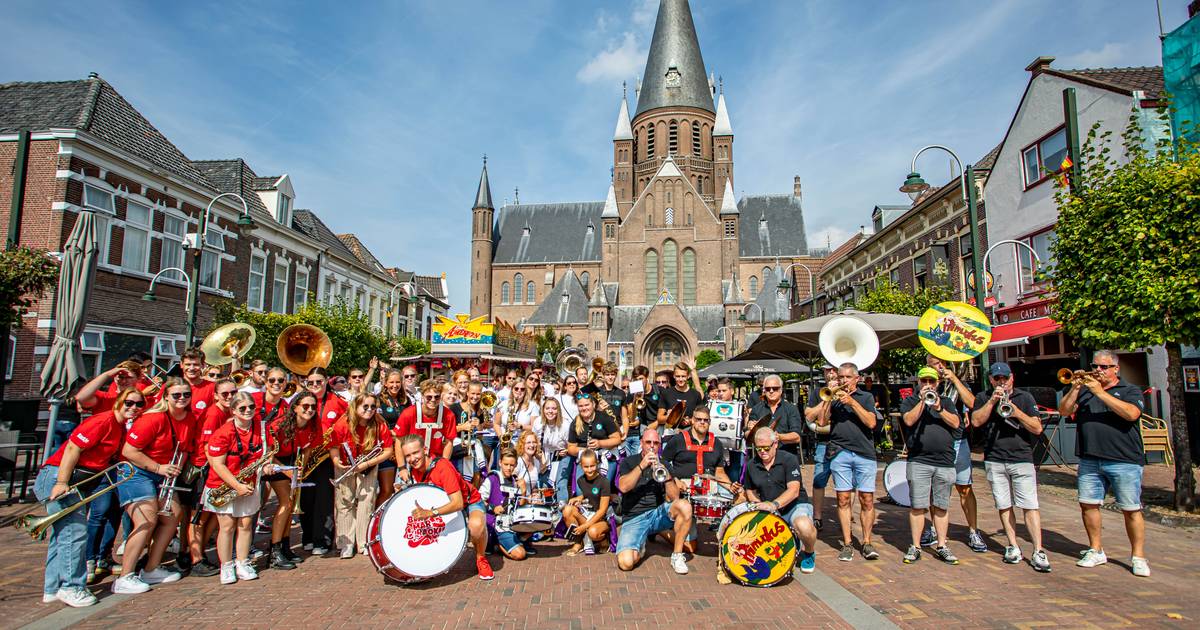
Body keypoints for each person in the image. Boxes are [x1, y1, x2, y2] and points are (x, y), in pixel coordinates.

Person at [37, 387, 144, 607]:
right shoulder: (102, 421)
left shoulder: (120, 427)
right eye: (129, 403)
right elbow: (72, 449)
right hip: (60, 475)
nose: (133, 408)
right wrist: (61, 482)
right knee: (74, 532)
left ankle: (52, 587)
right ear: (118, 402)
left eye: (139, 404)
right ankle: (71, 587)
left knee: (62, 534)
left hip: (80, 482)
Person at [1057, 350, 1149, 576]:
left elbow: (1131, 414)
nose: (1097, 370)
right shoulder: (1085, 392)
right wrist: (1076, 387)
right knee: (1088, 504)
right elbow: (1064, 410)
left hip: (1124, 459)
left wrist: (1100, 392)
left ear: (1115, 369)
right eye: (1095, 366)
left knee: (1130, 508)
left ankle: (1138, 556)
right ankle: (1096, 550)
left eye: (1103, 367)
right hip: (1090, 458)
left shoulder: (1130, 390)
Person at [112, 378, 195, 594]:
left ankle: (150, 569)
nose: (182, 399)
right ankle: (125, 576)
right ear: (166, 396)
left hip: (163, 474)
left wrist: (174, 469)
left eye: (186, 394)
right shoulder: (153, 419)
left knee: (172, 516)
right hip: (138, 472)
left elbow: (184, 448)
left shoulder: (189, 419)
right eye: (176, 395)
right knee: (146, 520)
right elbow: (129, 451)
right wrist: (159, 468)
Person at [970, 362, 1050, 572]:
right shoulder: (983, 397)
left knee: (1029, 505)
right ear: (991, 380)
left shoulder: (1025, 398)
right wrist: (992, 402)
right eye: (997, 379)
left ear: (1012, 378)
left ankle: (1038, 550)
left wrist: (1016, 412)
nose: (1002, 382)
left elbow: (1037, 427)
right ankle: (1013, 545)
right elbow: (976, 422)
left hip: (1022, 458)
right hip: (995, 458)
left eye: (1005, 378)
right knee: (1004, 504)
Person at [396, 435, 494, 580]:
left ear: (425, 450)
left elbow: (458, 503)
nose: (412, 459)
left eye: (415, 453)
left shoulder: (442, 467)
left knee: (476, 527)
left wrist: (431, 513)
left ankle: (481, 558)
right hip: (440, 506)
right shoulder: (412, 471)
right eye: (408, 456)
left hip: (468, 502)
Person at [918, 355, 986, 553]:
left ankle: (973, 530)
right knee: (936, 489)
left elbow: (973, 404)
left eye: (942, 364)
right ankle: (934, 528)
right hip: (936, 442)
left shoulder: (959, 384)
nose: (939, 368)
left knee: (964, 487)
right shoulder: (927, 385)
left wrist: (955, 379)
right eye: (934, 365)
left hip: (957, 440)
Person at [203, 392, 273, 584]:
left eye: (251, 407)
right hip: (224, 485)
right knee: (226, 526)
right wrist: (236, 485)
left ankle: (242, 562)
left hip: (248, 483)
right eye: (242, 408)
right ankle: (226, 566)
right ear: (233, 411)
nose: (248, 411)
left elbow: (266, 454)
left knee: (245, 524)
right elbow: (218, 465)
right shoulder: (223, 433)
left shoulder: (261, 429)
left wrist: (265, 466)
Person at [814, 363, 881, 562]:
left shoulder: (866, 397)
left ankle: (867, 542)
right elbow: (822, 422)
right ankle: (847, 542)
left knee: (866, 499)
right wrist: (827, 400)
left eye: (846, 377)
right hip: (840, 452)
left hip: (864, 453)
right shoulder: (834, 399)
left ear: (856, 379)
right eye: (840, 377)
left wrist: (852, 402)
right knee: (843, 498)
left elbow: (871, 422)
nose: (842, 381)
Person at [899, 367, 961, 565]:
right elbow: (908, 420)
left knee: (941, 505)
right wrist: (922, 401)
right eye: (924, 381)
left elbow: (956, 423)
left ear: (937, 383)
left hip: (944, 461)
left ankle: (942, 545)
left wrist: (938, 407)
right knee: (918, 506)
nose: (928, 385)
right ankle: (916, 546)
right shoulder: (910, 401)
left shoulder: (947, 402)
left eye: (931, 382)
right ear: (918, 382)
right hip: (919, 460)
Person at [741, 427, 817, 576]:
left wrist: (774, 504)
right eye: (758, 448)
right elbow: (750, 490)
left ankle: (809, 552)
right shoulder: (751, 464)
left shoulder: (789, 459)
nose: (762, 452)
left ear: (775, 444)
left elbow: (794, 490)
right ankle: (791, 540)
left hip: (794, 505)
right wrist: (757, 503)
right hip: (770, 511)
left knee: (804, 526)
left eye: (766, 448)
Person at [615, 429, 693, 574]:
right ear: (641, 443)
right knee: (626, 563)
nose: (652, 446)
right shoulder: (629, 461)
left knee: (685, 506)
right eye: (648, 442)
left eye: (656, 443)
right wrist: (642, 466)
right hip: (634, 518)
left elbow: (674, 497)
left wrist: (667, 476)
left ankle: (676, 556)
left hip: (657, 514)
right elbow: (624, 487)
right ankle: (642, 544)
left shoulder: (664, 464)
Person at [330, 393, 395, 558]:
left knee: (367, 502)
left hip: (368, 465)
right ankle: (346, 544)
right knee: (345, 502)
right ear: (356, 406)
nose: (369, 410)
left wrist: (366, 464)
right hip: (345, 465)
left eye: (373, 407)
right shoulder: (342, 424)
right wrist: (336, 461)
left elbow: (388, 450)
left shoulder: (379, 424)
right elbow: (334, 446)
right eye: (365, 406)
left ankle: (364, 542)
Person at [187, 377, 238, 577]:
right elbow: (208, 448)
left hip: (216, 469)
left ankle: (202, 556)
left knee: (213, 515)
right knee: (199, 516)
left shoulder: (227, 412)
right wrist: (221, 471)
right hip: (204, 469)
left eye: (233, 393)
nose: (230, 397)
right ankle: (196, 558)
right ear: (216, 395)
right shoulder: (214, 414)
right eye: (225, 394)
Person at [263, 391, 319, 570]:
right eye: (305, 406)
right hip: (276, 464)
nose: (310, 410)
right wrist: (288, 472)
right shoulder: (279, 425)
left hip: (292, 463)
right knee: (286, 503)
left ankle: (285, 546)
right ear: (295, 407)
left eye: (313, 407)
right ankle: (274, 551)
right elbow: (269, 454)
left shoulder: (311, 426)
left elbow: (307, 449)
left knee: (291, 504)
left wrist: (301, 468)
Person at [298, 367, 348, 556]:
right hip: (306, 455)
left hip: (327, 456)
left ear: (327, 381)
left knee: (324, 500)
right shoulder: (302, 401)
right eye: (311, 382)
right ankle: (308, 537)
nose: (315, 386)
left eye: (319, 381)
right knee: (305, 499)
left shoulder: (338, 402)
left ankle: (323, 540)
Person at [803, 364, 838, 531]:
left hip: (843, 442)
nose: (830, 373)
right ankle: (817, 517)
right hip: (824, 441)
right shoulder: (818, 393)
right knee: (818, 480)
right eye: (827, 370)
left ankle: (846, 516)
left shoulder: (849, 392)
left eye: (834, 370)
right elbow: (810, 416)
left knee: (845, 485)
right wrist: (826, 398)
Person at [394, 379, 457, 469]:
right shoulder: (409, 413)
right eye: (429, 397)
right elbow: (399, 441)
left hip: (435, 461)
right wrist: (402, 467)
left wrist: (444, 465)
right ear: (422, 396)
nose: (433, 400)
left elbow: (449, 442)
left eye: (437, 397)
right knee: (402, 482)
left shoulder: (448, 415)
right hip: (411, 460)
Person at [482, 448, 532, 560]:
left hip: (512, 523)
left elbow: (521, 506)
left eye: (512, 465)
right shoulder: (492, 479)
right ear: (500, 462)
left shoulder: (517, 481)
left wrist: (524, 491)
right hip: (496, 524)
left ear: (516, 465)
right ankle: (500, 544)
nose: (509, 468)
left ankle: (507, 541)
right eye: (506, 464)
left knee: (535, 524)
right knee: (520, 555)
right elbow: (479, 501)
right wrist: (493, 507)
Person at [562, 449, 613, 556]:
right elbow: (589, 493)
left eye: (592, 466)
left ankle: (604, 540)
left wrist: (584, 527)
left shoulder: (604, 482)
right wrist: (579, 497)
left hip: (601, 519)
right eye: (586, 466)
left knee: (593, 532)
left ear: (597, 464)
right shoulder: (580, 480)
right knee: (567, 510)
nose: (590, 470)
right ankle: (578, 542)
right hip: (588, 514)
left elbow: (602, 510)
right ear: (581, 465)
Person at [375, 368, 413, 505]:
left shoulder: (406, 400)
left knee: (402, 489)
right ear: (385, 383)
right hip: (387, 448)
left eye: (397, 382)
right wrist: (392, 434)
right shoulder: (379, 400)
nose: (395, 385)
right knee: (387, 489)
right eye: (391, 382)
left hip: (404, 448)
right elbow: (377, 425)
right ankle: (376, 521)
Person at [566, 393, 622, 481]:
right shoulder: (575, 423)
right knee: (581, 490)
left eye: (587, 405)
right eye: (580, 406)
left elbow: (617, 439)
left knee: (603, 485)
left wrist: (600, 443)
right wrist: (586, 451)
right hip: (585, 459)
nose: (584, 408)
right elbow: (570, 448)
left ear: (594, 404)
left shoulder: (604, 417)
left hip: (606, 456)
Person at [748, 374, 804, 461]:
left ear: (781, 390)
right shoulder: (756, 409)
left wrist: (778, 437)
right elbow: (747, 436)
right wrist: (753, 430)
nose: (771, 391)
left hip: (786, 458)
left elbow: (796, 437)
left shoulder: (791, 409)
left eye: (775, 388)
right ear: (764, 391)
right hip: (762, 459)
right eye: (767, 389)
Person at [537, 398, 572, 504]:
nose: (550, 411)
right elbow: (535, 441)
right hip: (545, 454)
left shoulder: (565, 425)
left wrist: (567, 451)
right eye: (547, 408)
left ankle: (562, 508)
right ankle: (548, 504)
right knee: (544, 482)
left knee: (560, 482)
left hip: (562, 455)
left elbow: (571, 445)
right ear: (543, 410)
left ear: (558, 410)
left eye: (554, 408)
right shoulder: (538, 423)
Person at [657, 362, 705, 435]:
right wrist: (670, 417)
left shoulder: (695, 394)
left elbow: (701, 417)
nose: (680, 379)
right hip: (670, 435)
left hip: (690, 434)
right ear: (674, 376)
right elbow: (660, 419)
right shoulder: (666, 393)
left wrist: (690, 421)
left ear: (688, 376)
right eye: (678, 376)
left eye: (683, 376)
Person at [492, 377, 538, 453]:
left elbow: (535, 428)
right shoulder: (503, 404)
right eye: (516, 388)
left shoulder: (532, 406)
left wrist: (520, 426)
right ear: (512, 389)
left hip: (523, 444)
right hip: (505, 444)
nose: (519, 391)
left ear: (526, 391)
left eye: (522, 389)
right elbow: (496, 423)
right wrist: (502, 438)